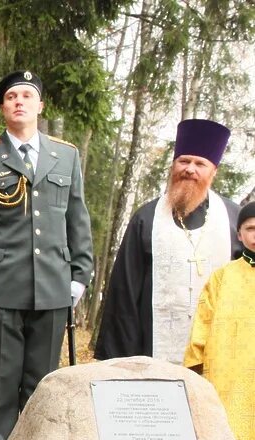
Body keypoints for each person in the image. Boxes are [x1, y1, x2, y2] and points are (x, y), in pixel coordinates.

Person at [0, 70, 93, 440]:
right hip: (1, 285)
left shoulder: (65, 155)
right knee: (1, 380)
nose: (19, 101)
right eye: (11, 97)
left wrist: (80, 273)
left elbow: (77, 217)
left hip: (53, 283)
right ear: (3, 108)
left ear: (40, 106)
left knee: (42, 380)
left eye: (26, 96)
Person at [95, 119, 241, 363]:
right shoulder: (146, 218)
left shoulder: (234, 219)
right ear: (174, 166)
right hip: (152, 346)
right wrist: (122, 361)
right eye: (184, 161)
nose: (190, 169)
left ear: (213, 171)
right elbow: (125, 291)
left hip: (221, 348)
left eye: (200, 164)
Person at [184, 201, 255, 440]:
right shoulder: (221, 278)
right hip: (227, 378)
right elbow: (202, 326)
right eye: (251, 228)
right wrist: (194, 372)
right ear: (240, 233)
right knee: (228, 439)